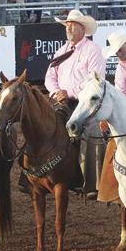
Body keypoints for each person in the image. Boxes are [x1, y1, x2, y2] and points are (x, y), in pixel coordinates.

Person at [45, 10, 106, 197]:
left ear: (82, 29)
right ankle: (39, 176)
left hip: (86, 103)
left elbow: (95, 80)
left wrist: (69, 92)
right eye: (67, 25)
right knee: (42, 126)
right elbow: (49, 77)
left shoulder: (93, 50)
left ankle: (92, 183)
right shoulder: (61, 51)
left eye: (72, 25)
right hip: (62, 102)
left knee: (92, 131)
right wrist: (56, 92)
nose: (68, 28)